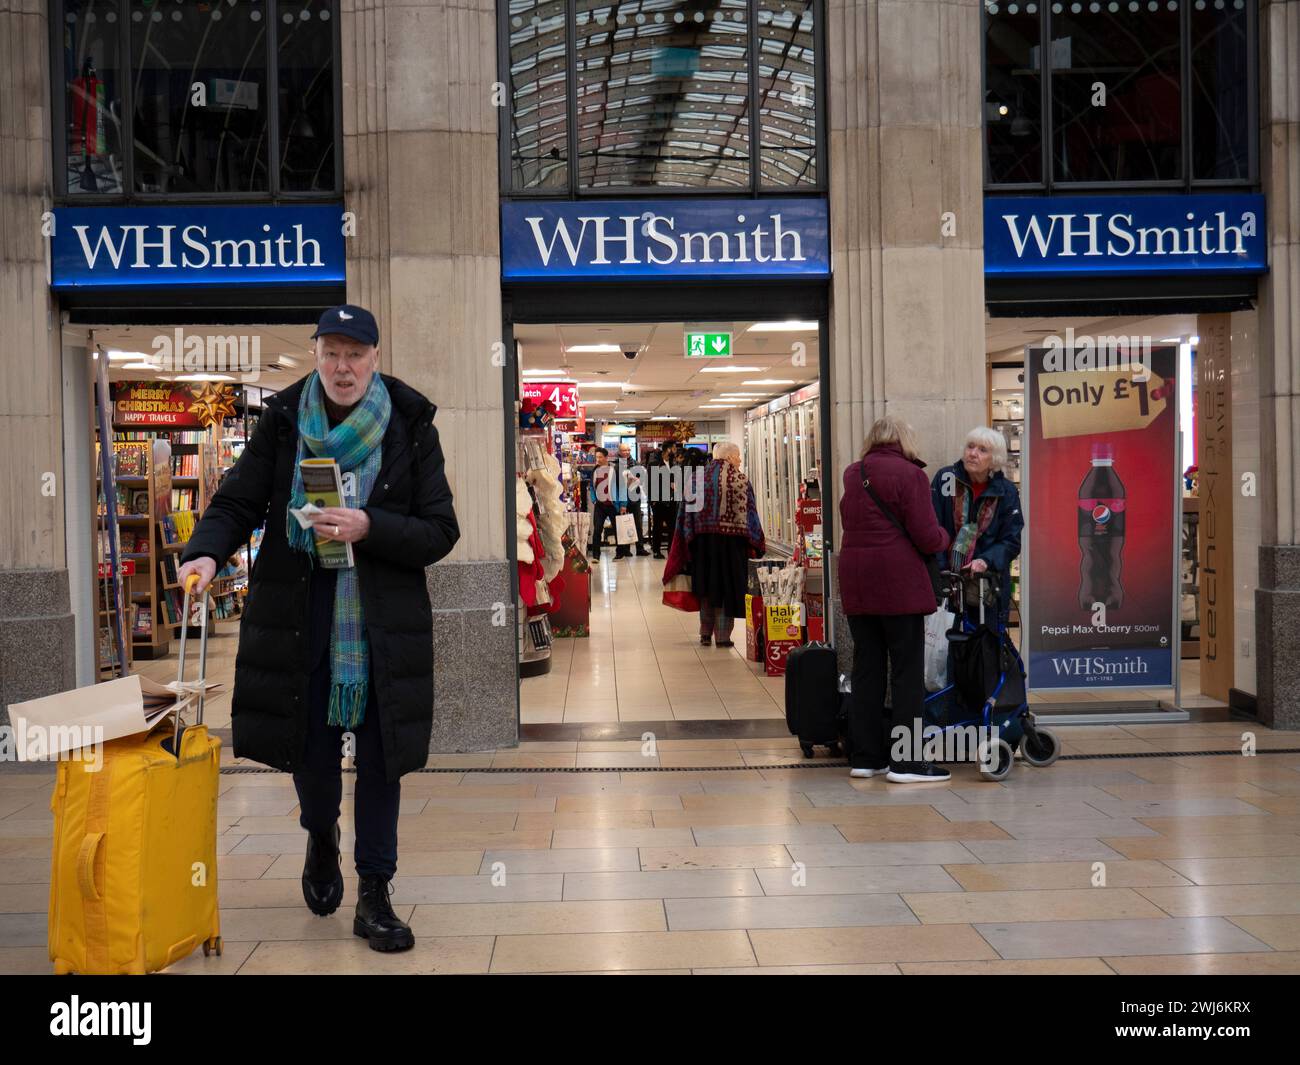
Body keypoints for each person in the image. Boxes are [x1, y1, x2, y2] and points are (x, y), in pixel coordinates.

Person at [176, 304, 459, 953]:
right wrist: (204, 551)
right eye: (330, 351)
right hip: (302, 624)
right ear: (314, 356)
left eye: (354, 353)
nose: (342, 365)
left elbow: (441, 530)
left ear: (375, 358)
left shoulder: (411, 426)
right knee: (312, 755)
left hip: (384, 630)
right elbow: (238, 499)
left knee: (382, 761)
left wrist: (370, 527)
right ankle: (321, 832)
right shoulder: (282, 423)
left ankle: (376, 893)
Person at [837, 415, 952, 783]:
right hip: (898, 584)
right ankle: (906, 761)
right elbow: (925, 535)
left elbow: (846, 518)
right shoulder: (910, 475)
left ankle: (866, 757)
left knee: (866, 671)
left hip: (857, 582)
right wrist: (944, 538)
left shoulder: (853, 474)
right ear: (904, 440)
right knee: (905, 674)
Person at [662, 441, 765, 646]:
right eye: (737, 456)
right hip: (731, 546)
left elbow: (684, 514)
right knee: (727, 588)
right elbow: (750, 515)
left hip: (702, 544)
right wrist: (757, 542)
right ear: (728, 457)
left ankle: (705, 633)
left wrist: (687, 538)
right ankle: (724, 636)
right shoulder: (740, 480)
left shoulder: (696, 479)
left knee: (706, 587)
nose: (739, 460)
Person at [930, 426, 1024, 627]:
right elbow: (932, 528)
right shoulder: (945, 479)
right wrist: (942, 572)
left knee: (985, 650)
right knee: (946, 649)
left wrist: (985, 560)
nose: (973, 453)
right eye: (970, 447)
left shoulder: (1006, 492)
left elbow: (1012, 540)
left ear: (995, 459)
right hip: (946, 582)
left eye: (983, 450)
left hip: (986, 586)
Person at [614, 441, 651, 558]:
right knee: (624, 524)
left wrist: (637, 480)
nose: (627, 452)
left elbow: (642, 478)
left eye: (628, 450)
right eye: (624, 450)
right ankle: (625, 549)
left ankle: (640, 548)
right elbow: (616, 483)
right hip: (622, 499)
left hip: (635, 497)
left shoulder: (636, 463)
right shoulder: (616, 466)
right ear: (619, 452)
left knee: (637, 524)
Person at [651, 443, 682, 559]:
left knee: (672, 527)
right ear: (668, 449)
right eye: (674, 448)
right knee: (657, 527)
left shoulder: (674, 463)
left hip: (672, 500)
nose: (675, 450)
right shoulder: (654, 464)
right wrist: (652, 501)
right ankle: (656, 551)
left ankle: (671, 550)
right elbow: (651, 483)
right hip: (658, 501)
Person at [589, 447, 616, 559]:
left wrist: (622, 504)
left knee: (617, 530)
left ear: (606, 457)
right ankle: (596, 555)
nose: (598, 459)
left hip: (613, 504)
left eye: (600, 457)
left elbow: (621, 487)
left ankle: (620, 553)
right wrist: (594, 500)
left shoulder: (614, 469)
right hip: (600, 505)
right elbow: (592, 486)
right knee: (597, 530)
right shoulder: (595, 470)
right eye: (597, 457)